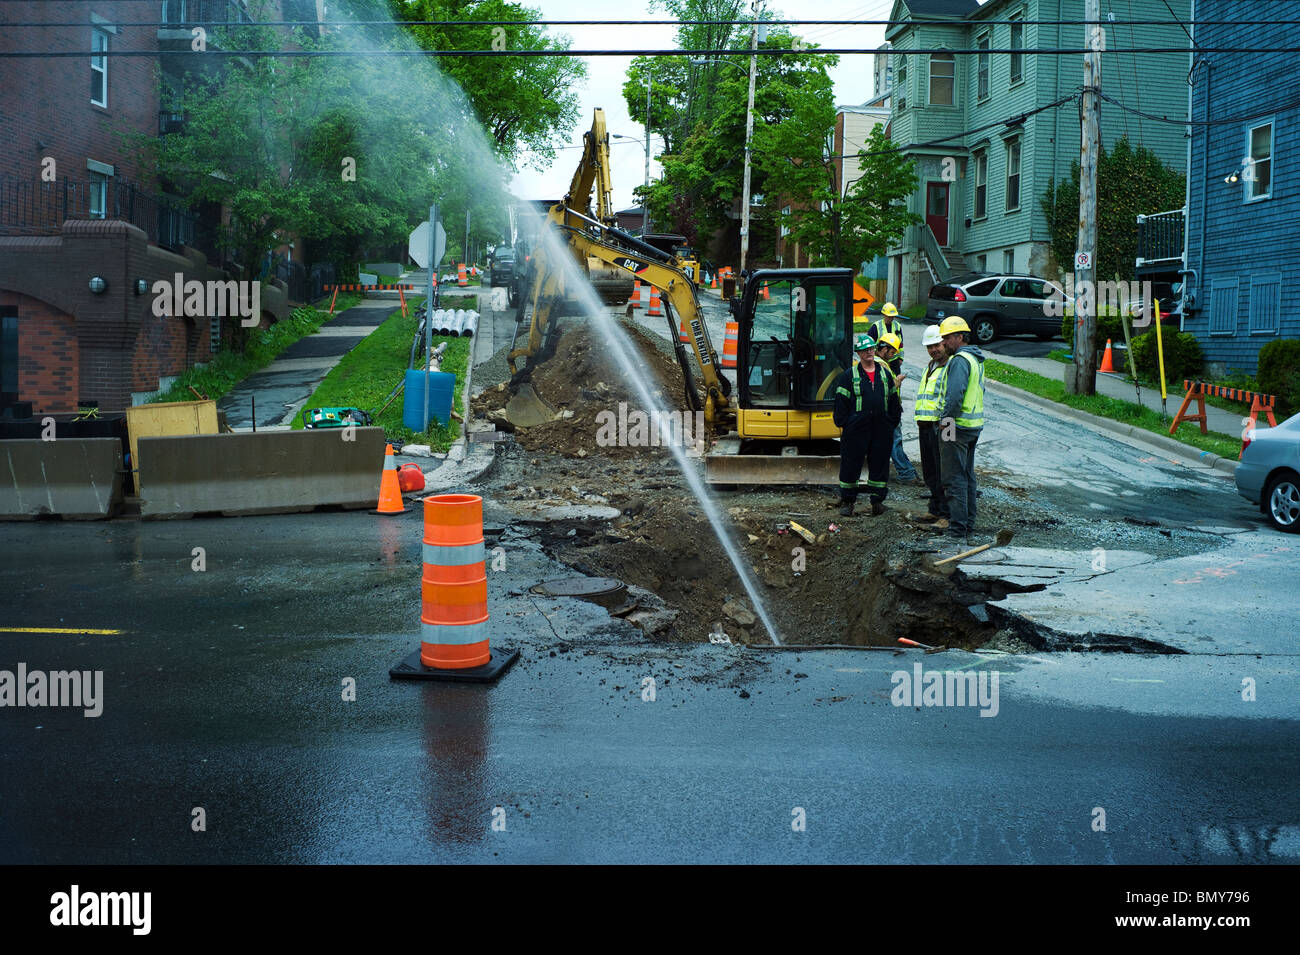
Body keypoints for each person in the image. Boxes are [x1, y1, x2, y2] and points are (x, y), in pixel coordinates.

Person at [832, 333, 901, 517]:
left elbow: (894, 400)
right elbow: (840, 401)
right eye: (864, 350)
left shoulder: (884, 374)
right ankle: (848, 502)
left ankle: (877, 503)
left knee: (879, 464)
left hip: (881, 428)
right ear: (859, 353)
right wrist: (845, 423)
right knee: (850, 464)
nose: (869, 352)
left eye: (871, 349)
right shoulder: (849, 375)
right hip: (856, 430)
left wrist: (891, 422)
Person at [934, 316, 986, 540]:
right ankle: (967, 526)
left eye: (947, 338)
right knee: (966, 476)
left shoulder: (959, 361)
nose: (943, 342)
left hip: (955, 425)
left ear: (959, 337)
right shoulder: (975, 359)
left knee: (953, 478)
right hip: (972, 427)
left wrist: (945, 421)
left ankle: (957, 530)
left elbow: (955, 397)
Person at [914, 325, 951, 526]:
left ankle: (946, 514)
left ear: (944, 343)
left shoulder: (951, 366)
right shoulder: (931, 365)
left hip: (941, 425)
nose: (933, 350)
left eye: (936, 345)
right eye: (929, 347)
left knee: (943, 471)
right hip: (926, 424)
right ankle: (935, 509)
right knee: (930, 471)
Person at [875, 332, 919, 483]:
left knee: (893, 441)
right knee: (895, 441)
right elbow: (885, 388)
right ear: (884, 348)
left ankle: (907, 471)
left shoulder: (878, 362)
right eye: (892, 352)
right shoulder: (880, 364)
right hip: (888, 410)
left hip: (887, 409)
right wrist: (897, 381)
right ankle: (907, 473)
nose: (892, 355)